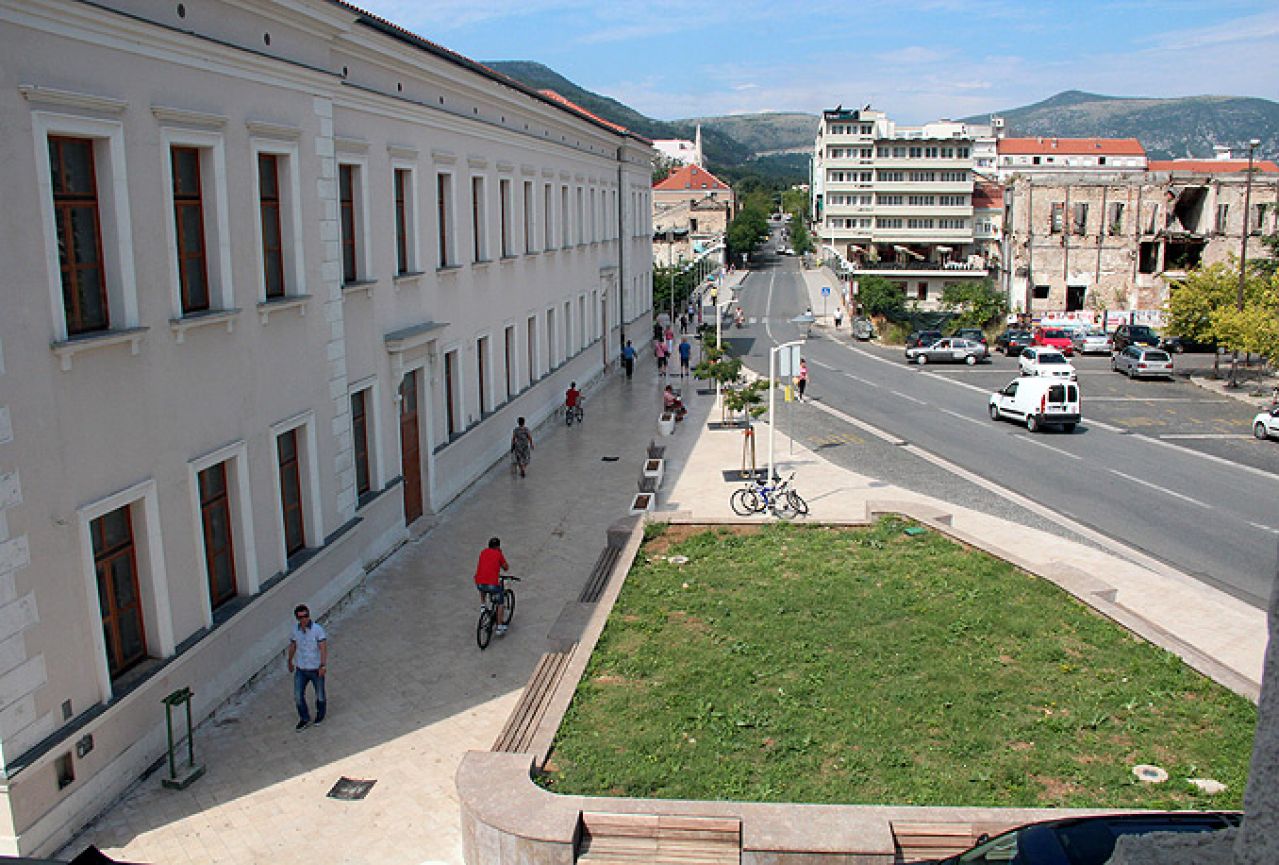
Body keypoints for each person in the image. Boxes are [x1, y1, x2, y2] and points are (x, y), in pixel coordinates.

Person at [287, 604, 327, 730]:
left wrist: (323, 665)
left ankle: (320, 715)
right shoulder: (295, 630)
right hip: (301, 669)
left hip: (315, 668)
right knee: (298, 695)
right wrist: (289, 660)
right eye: (301, 617)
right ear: (297, 618)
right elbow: (293, 645)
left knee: (320, 694)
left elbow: (323, 648)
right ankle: (304, 718)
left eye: (306, 616)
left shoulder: (317, 630)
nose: (304, 619)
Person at [474, 537, 510, 637]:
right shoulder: (498, 554)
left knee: (482, 584)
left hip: (479, 583)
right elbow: (506, 568)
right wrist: (500, 555)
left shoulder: (483, 552)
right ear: (498, 546)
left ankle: (483, 605)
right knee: (500, 603)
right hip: (492, 585)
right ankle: (499, 627)